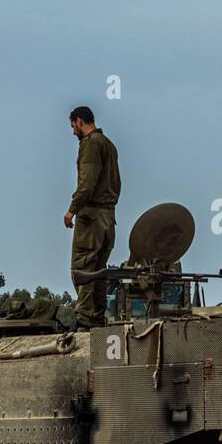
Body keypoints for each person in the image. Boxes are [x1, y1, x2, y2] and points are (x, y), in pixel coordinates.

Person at [64, 105, 121, 328]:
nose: (72, 132)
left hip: (91, 217)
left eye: (73, 126)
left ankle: (85, 320)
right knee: (99, 271)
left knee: (83, 270)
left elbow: (87, 184)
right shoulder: (109, 145)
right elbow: (117, 183)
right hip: (108, 217)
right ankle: (97, 319)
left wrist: (72, 210)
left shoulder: (90, 144)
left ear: (80, 121)